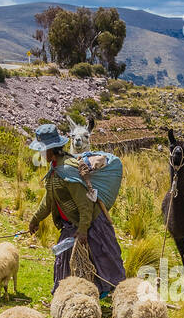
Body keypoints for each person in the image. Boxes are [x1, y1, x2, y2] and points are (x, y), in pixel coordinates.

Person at [27, 123, 126, 296]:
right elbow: (49, 199)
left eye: (42, 150)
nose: (40, 154)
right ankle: (70, 297)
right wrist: (36, 219)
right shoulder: (55, 168)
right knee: (66, 264)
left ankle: (108, 298)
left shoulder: (67, 170)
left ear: (52, 149)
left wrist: (82, 231)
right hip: (71, 225)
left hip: (90, 225)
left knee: (101, 263)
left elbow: (85, 204)